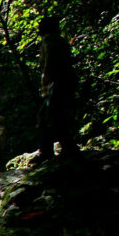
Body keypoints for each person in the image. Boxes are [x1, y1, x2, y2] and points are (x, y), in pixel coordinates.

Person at [37, 15, 79, 159]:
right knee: (53, 116)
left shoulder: (50, 39)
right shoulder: (58, 40)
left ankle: (52, 151)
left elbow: (50, 61)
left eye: (41, 25)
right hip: (64, 82)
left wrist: (50, 81)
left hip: (58, 83)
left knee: (50, 117)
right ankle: (65, 147)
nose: (39, 28)